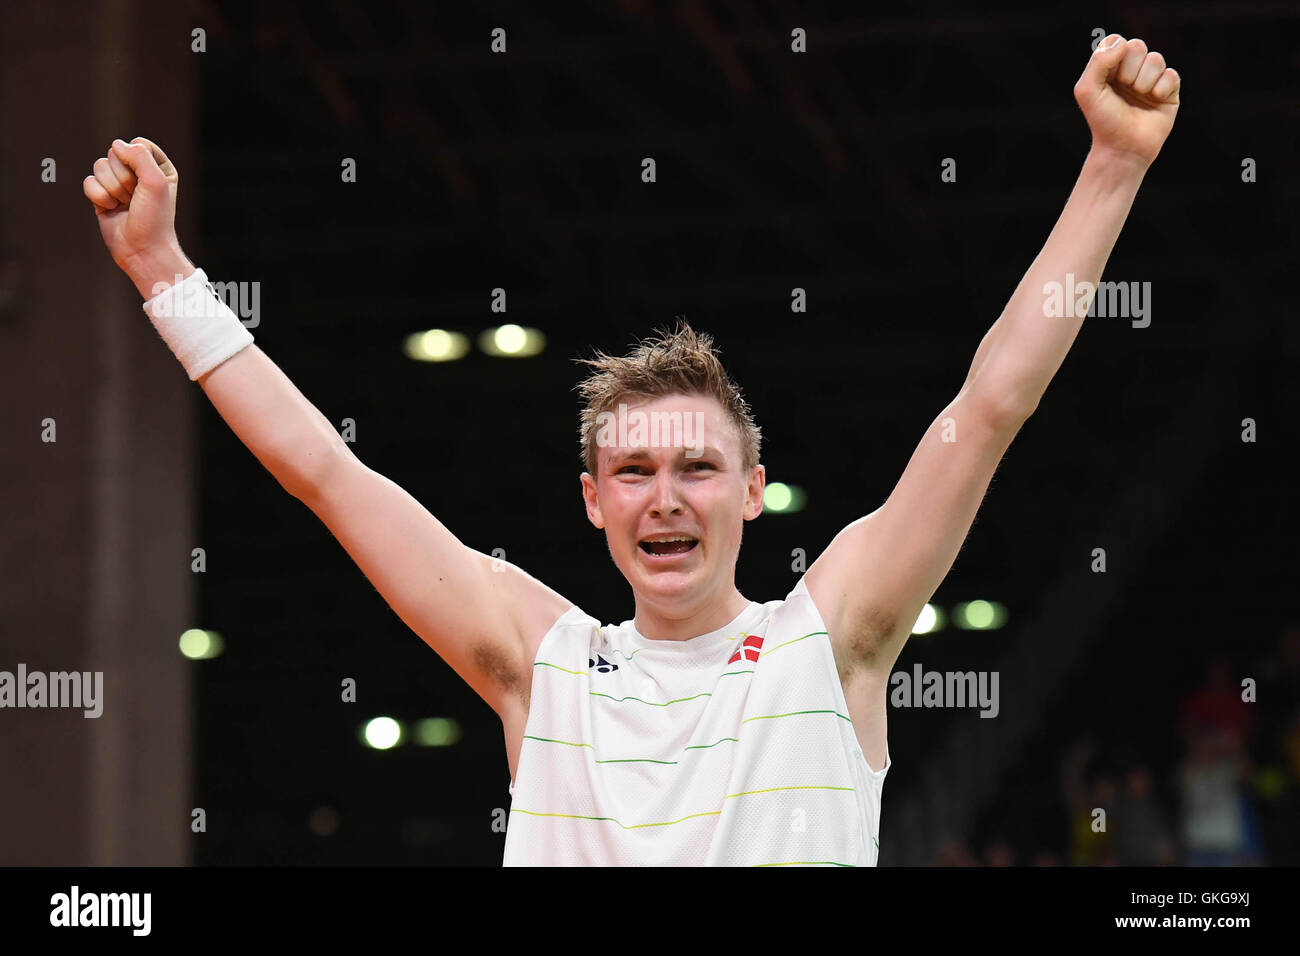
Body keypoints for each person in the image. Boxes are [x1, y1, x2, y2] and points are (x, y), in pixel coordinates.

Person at [82, 34, 1180, 866]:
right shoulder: (538, 658)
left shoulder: (833, 635)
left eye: (698, 467)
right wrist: (165, 277)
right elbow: (323, 470)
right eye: (635, 472)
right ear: (593, 500)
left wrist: (1111, 172)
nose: (667, 497)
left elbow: (989, 405)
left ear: (751, 491)